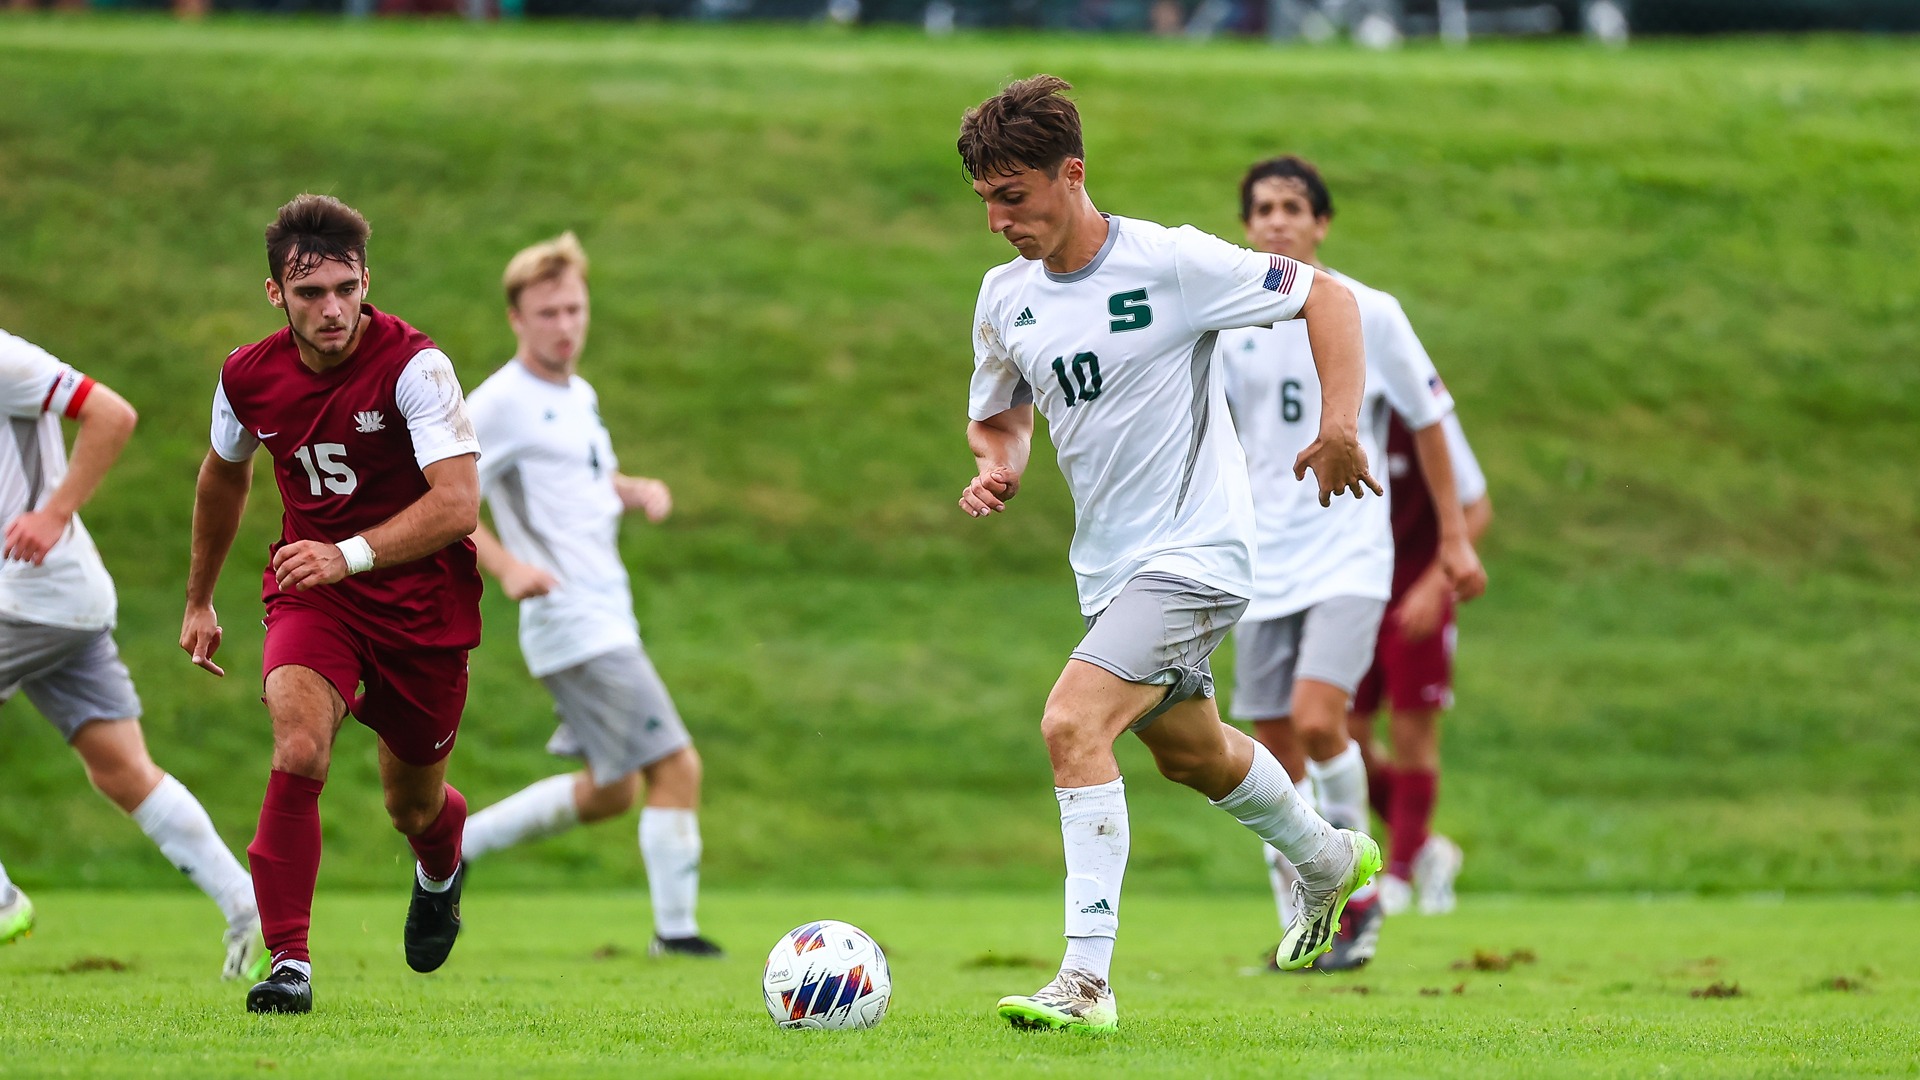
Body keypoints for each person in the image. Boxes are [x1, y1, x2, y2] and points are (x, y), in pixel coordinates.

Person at [956, 76, 1382, 1034]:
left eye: (1012, 195)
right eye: (984, 199)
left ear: (1071, 176)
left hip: (1198, 554)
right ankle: (1327, 861)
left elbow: (1330, 298)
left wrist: (1340, 423)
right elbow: (999, 416)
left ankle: (1085, 980)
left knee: (1072, 725)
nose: (996, 221)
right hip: (1111, 571)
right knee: (1194, 756)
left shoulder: (1170, 262)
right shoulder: (1004, 298)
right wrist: (1001, 467)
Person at [179, 194, 484, 1014]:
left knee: (410, 804)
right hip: (317, 600)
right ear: (276, 294)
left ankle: (441, 861)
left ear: (366, 282)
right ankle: (290, 964)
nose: (332, 309)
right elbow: (223, 474)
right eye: (310, 293)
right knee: (300, 747)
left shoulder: (416, 367)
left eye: (345, 289)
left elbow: (458, 506)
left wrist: (348, 553)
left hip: (421, 608)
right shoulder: (247, 375)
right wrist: (200, 598)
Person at [1218, 156, 1485, 971]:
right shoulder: (1230, 323)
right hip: (1259, 563)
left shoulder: (1371, 310)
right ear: (1246, 225)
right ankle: (1310, 922)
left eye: (1293, 206)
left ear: (1321, 222)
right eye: (1262, 208)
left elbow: (1430, 416)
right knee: (1270, 759)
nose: (1276, 221)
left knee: (1318, 718)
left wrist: (1453, 539)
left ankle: (1359, 899)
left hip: (1346, 553)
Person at [459, 232, 721, 958]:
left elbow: (578, 484)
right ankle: (677, 936)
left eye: (575, 308)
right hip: (573, 621)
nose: (566, 324)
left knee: (612, 792)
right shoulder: (500, 402)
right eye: (548, 312)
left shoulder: (579, 396)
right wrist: (506, 567)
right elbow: (443, 500)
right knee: (677, 765)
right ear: (517, 318)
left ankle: (459, 844)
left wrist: (630, 489)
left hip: (608, 610)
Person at [1, 328, 264, 977]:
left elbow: (112, 413)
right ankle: (248, 906)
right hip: (68, 604)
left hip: (31, 594)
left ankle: (2, 900)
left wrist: (55, 513)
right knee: (122, 771)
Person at [1350, 409, 1492, 917]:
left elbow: (1477, 509)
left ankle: (1401, 874)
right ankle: (1427, 849)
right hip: (1351, 593)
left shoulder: (1424, 417)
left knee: (1413, 736)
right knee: (1341, 735)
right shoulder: (1336, 410)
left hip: (1417, 596)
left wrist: (1436, 585)